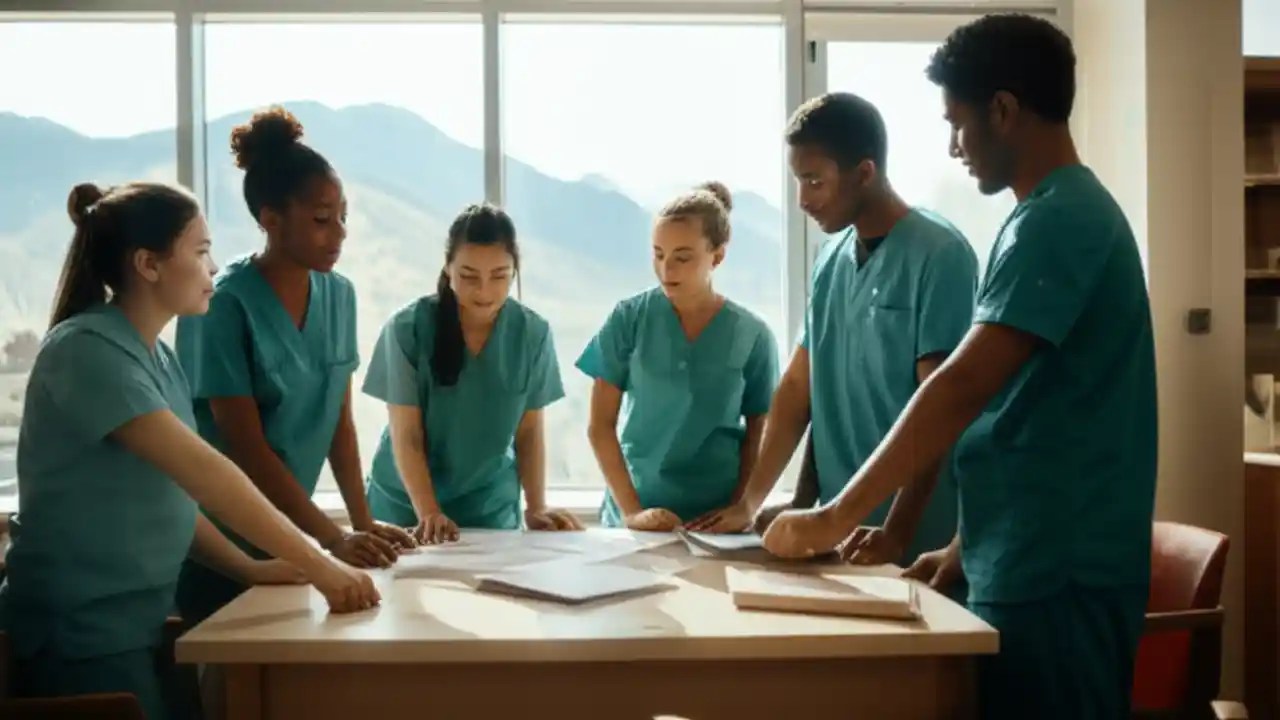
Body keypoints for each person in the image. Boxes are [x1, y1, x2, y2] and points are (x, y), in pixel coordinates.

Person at [761, 14, 1156, 720]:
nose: (953, 146)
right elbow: (1027, 412)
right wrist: (966, 544)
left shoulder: (1060, 220)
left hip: (1059, 571)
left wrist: (834, 516)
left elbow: (964, 385)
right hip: (1016, 558)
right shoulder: (1037, 218)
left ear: (1003, 110)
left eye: (957, 123)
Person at [0, 182, 379, 720]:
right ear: (148, 265)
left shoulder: (159, 359)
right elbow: (206, 474)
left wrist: (250, 569)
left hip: (143, 624)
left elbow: (178, 494)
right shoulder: (86, 351)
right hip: (79, 636)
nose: (213, 268)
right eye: (200, 252)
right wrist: (319, 563)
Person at [688, 95, 977, 573]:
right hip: (833, 537)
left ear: (865, 173)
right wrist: (773, 500)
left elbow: (939, 413)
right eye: (798, 181)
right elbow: (805, 390)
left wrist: (897, 532)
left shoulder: (940, 255)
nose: (802, 200)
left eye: (815, 181)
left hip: (914, 539)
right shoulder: (830, 259)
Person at [174, 107, 413, 626]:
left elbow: (339, 426)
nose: (340, 234)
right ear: (270, 219)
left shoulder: (340, 296)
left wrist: (363, 525)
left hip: (293, 539)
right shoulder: (222, 304)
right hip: (223, 544)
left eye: (343, 217)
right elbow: (247, 449)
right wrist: (330, 539)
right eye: (322, 220)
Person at [362, 203, 582, 542]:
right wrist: (429, 512)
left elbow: (529, 430)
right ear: (448, 269)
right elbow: (406, 434)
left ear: (515, 272)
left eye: (499, 276)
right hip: (406, 507)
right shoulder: (407, 329)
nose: (484, 291)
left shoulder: (532, 333)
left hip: (488, 510)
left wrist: (536, 506)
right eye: (468, 276)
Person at [578, 183, 780, 531]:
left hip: (715, 524)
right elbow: (600, 427)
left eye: (682, 257)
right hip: (633, 518)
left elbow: (761, 434)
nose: (666, 269)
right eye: (658, 255)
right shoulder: (629, 319)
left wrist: (741, 508)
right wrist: (632, 513)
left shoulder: (753, 336)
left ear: (717, 255)